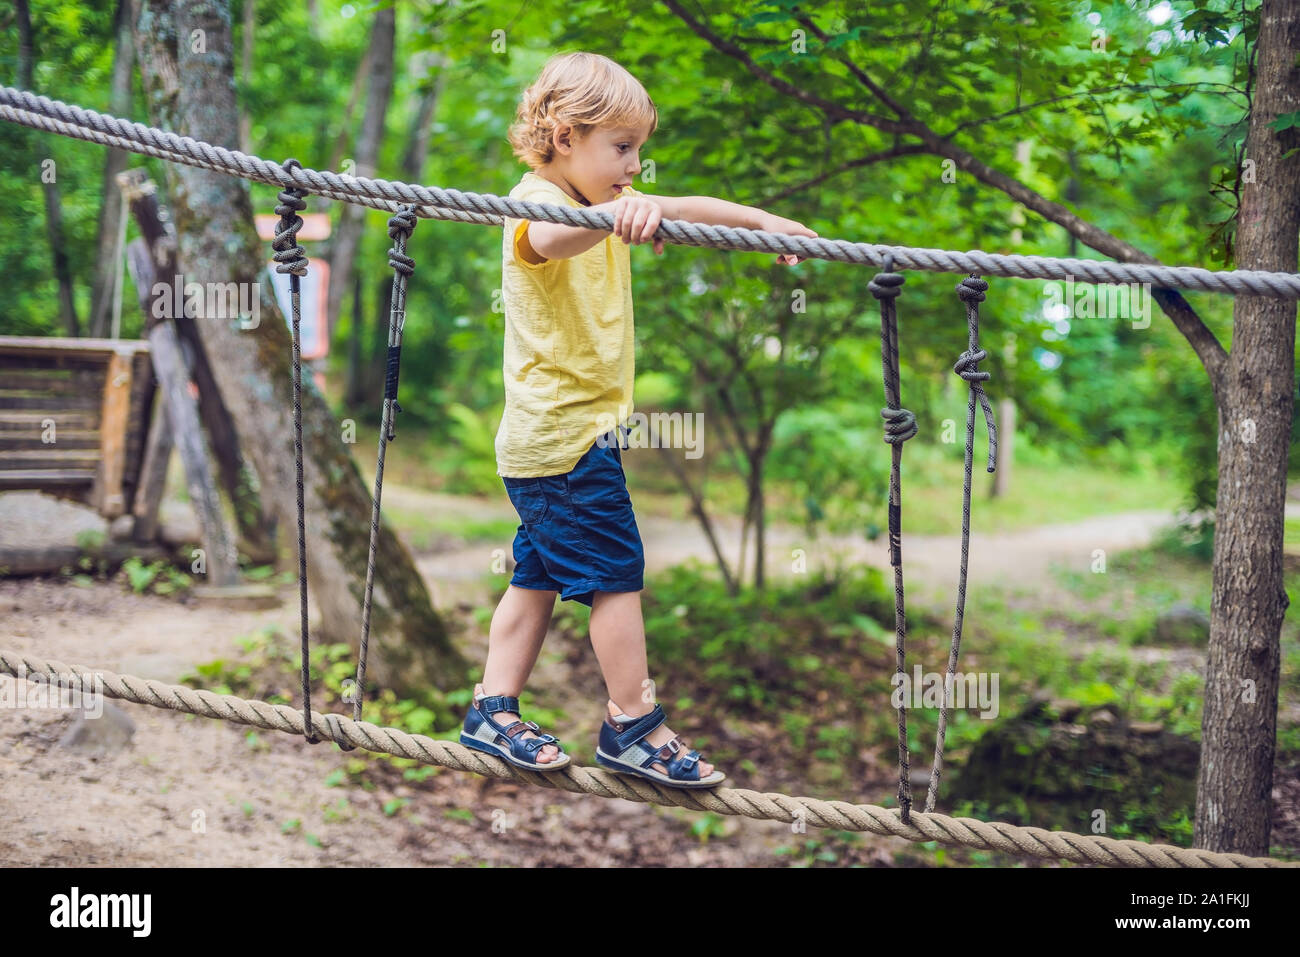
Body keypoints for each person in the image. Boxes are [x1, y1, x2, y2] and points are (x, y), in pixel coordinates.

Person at [459, 51, 817, 787]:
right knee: (616, 577)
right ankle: (633, 723)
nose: (634, 166)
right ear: (564, 135)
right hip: (565, 438)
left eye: (639, 150)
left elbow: (682, 207)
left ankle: (491, 709)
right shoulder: (534, 203)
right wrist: (610, 216)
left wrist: (759, 221)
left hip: (558, 439)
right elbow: (551, 239)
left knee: (535, 576)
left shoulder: (607, 203)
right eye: (621, 148)